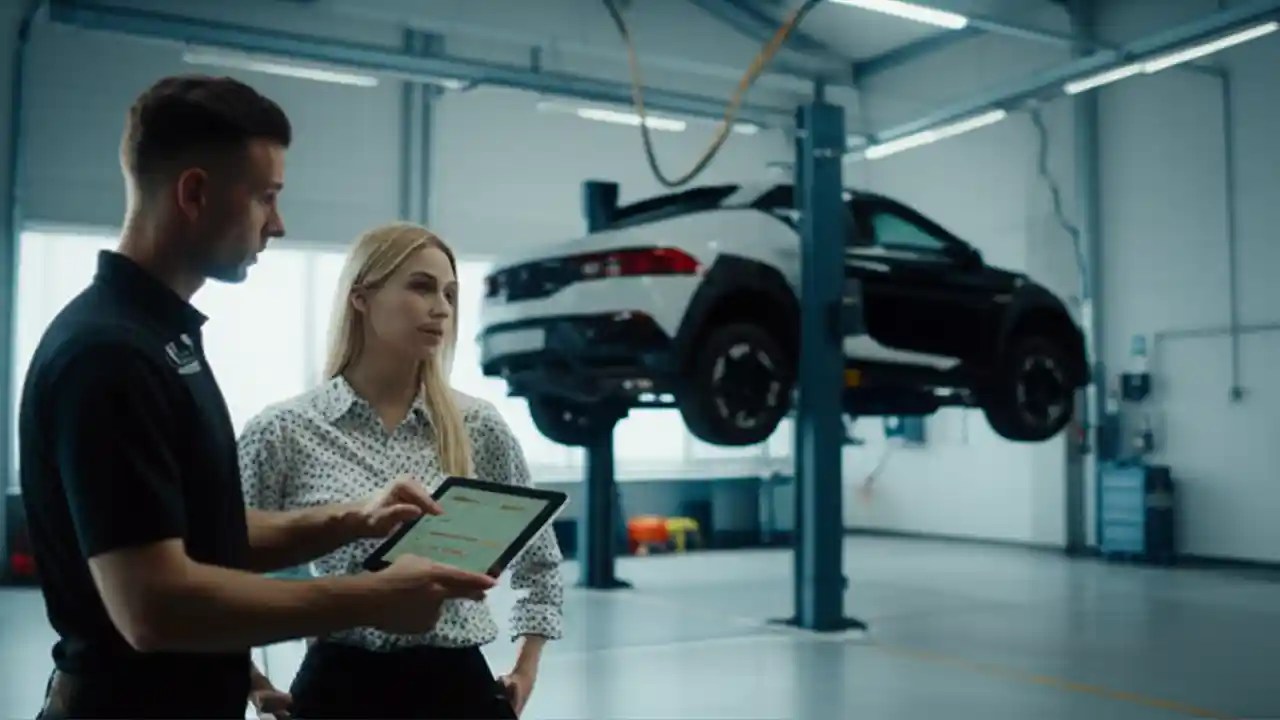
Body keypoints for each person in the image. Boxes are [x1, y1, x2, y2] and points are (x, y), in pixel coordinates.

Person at [17, 75, 496, 720]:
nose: (278, 223)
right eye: (265, 198)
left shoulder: (166, 342)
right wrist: (371, 598)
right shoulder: (110, 354)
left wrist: (352, 518)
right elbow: (154, 607)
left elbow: (200, 535)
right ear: (194, 193)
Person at [237, 223, 566, 719]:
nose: (442, 309)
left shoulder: (478, 426)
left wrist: (526, 668)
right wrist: (252, 680)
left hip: (459, 689)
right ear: (361, 298)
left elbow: (539, 561)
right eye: (421, 287)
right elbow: (216, 567)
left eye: (450, 294)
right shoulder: (284, 431)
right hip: (340, 688)